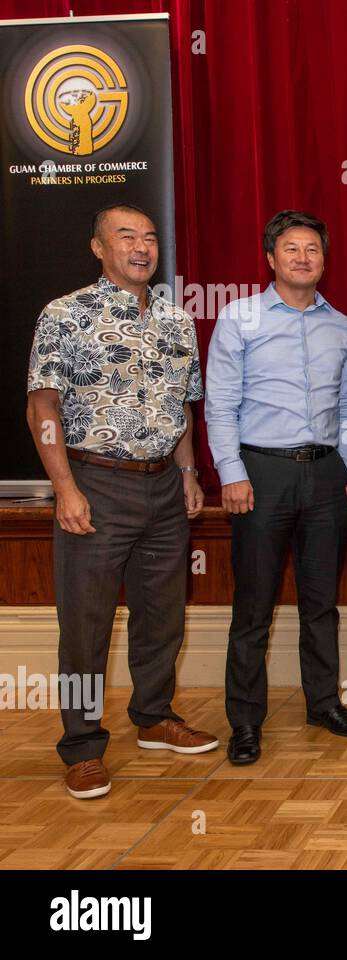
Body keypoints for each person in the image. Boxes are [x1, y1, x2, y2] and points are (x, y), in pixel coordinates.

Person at [26, 203, 218, 799]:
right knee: (85, 625)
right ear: (98, 247)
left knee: (162, 617)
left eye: (150, 237)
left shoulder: (176, 320)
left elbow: (182, 407)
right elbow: (43, 407)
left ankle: (155, 717)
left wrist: (188, 473)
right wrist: (64, 487)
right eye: (126, 236)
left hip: (164, 485)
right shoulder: (65, 315)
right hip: (95, 484)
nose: (141, 246)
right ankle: (82, 746)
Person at [206, 210, 347, 766]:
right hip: (261, 475)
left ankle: (323, 703)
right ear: (271, 258)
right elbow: (220, 404)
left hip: (324, 474)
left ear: (324, 260)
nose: (303, 258)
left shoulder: (340, 324)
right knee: (254, 606)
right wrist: (230, 472)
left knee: (321, 603)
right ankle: (246, 722)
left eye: (313, 250)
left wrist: (344, 466)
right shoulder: (239, 317)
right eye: (291, 249)